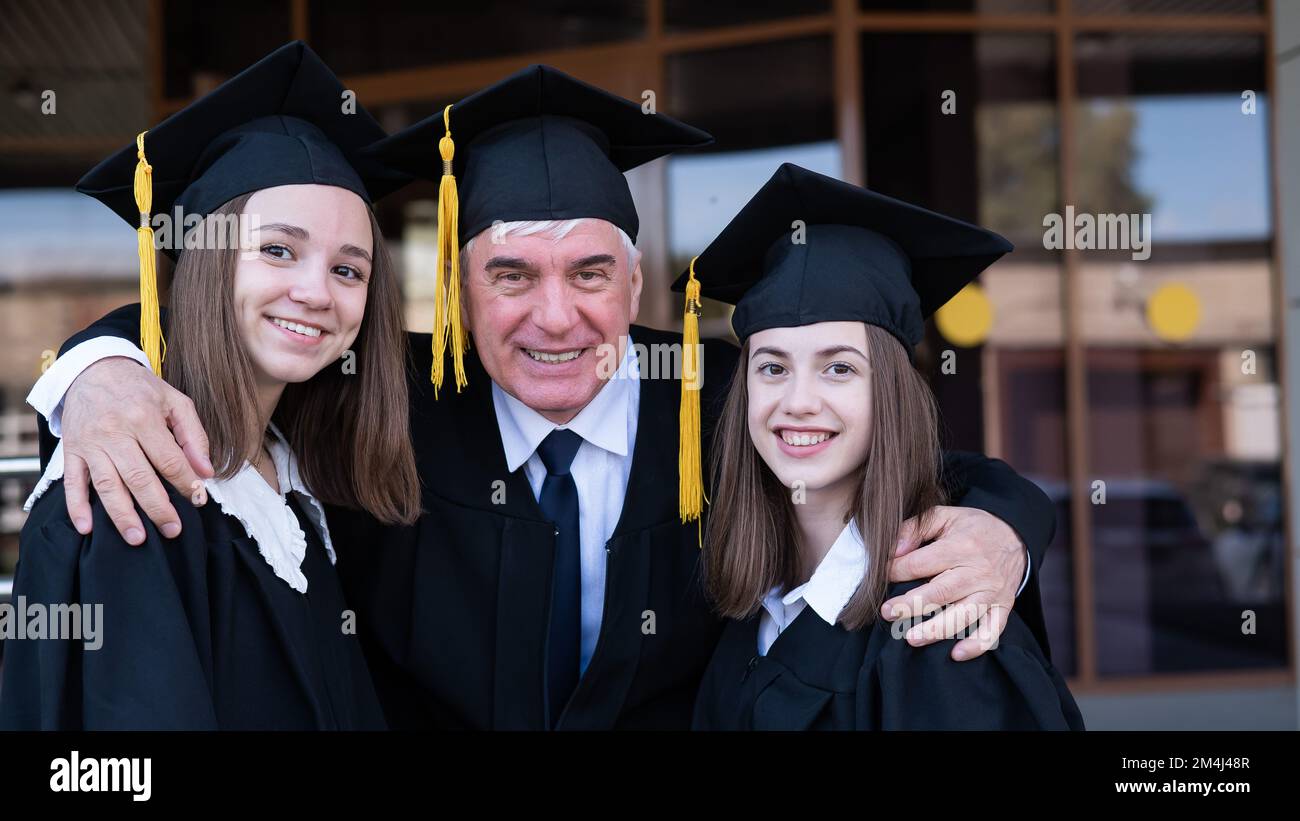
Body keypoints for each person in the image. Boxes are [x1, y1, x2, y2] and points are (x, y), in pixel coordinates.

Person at [28, 65, 1057, 730]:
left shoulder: (727, 404)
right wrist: (98, 372)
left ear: (639, 278)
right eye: (510, 274)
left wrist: (1008, 524)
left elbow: (896, 451)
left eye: (591, 273)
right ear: (455, 289)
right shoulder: (380, 406)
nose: (555, 317)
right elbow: (231, 342)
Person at [0, 42, 419, 730]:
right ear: (206, 264)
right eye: (278, 249)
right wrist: (92, 370)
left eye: (349, 269)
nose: (316, 292)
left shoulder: (298, 479)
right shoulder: (132, 489)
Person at [687, 164, 1082, 730]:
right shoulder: (756, 602)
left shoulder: (936, 629)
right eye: (772, 367)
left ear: (891, 396)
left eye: (839, 368)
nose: (798, 401)